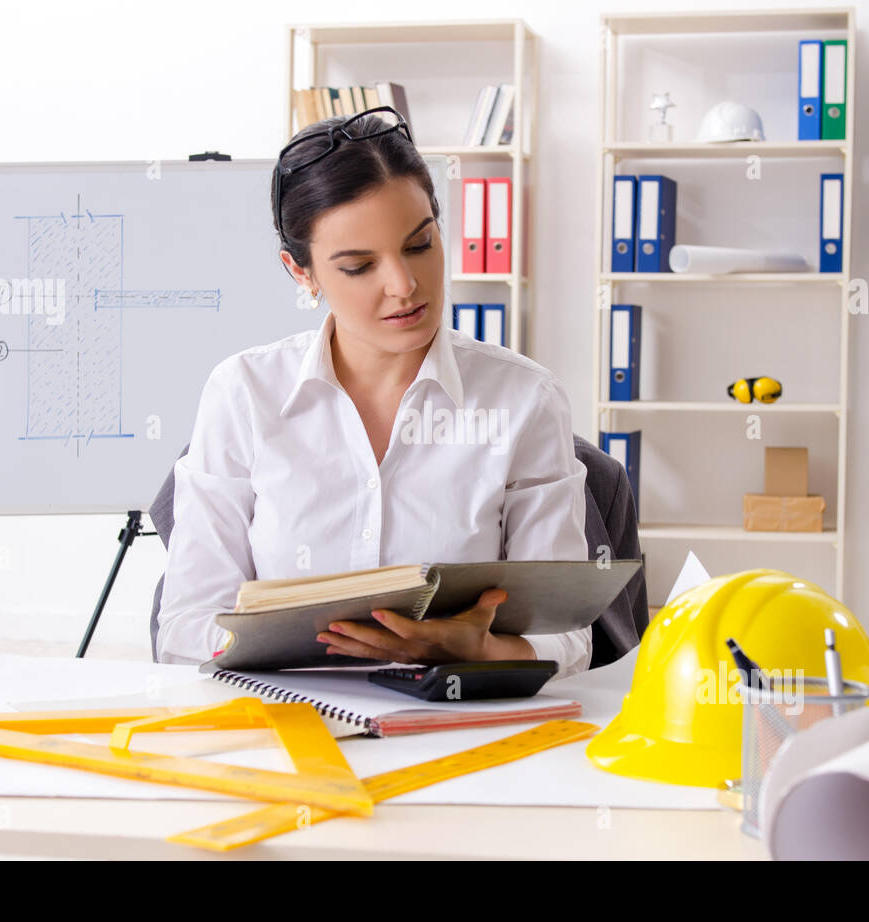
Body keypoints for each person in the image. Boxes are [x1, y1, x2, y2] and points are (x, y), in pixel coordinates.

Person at [155, 106, 591, 677]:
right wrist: (299, 649)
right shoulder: (244, 394)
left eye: (419, 245)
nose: (404, 285)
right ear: (301, 273)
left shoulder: (524, 400)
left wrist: (479, 651)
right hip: (285, 719)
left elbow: (567, 634)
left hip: (453, 722)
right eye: (359, 266)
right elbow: (186, 626)